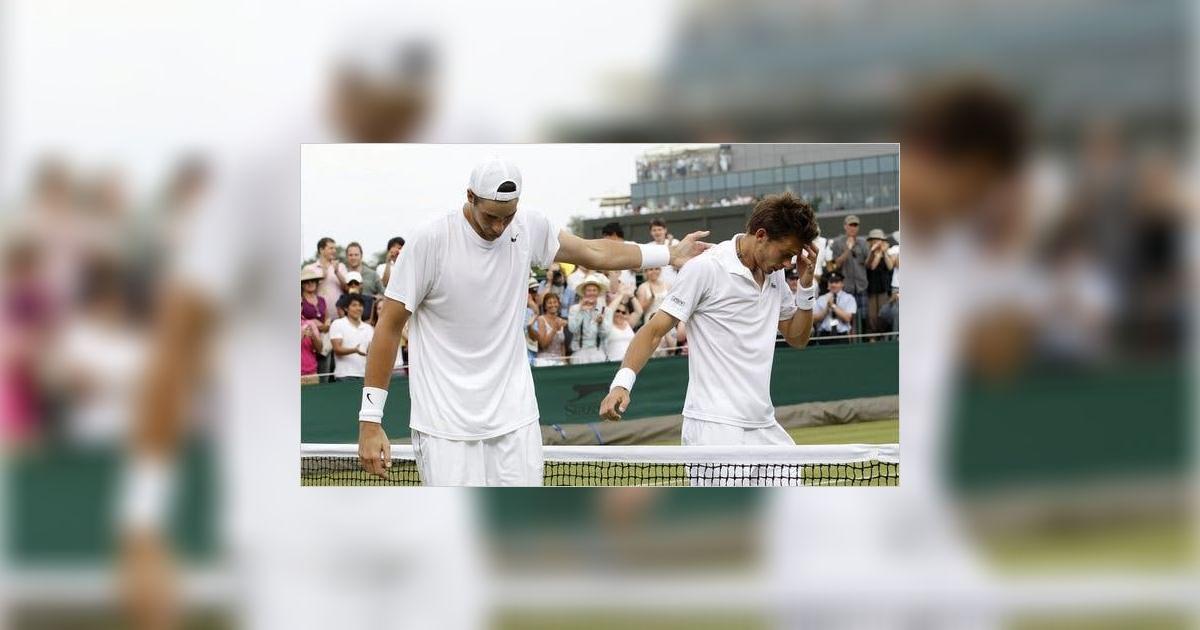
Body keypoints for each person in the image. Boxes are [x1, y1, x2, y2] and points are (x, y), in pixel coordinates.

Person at [357, 156, 709, 486]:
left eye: (507, 216)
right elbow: (388, 328)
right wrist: (370, 422)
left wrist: (668, 254)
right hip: (444, 427)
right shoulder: (430, 239)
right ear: (470, 197)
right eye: (491, 216)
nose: (499, 226)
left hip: (516, 418)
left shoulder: (528, 226)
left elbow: (594, 251)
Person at [599, 192, 819, 449]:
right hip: (712, 426)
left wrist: (805, 287)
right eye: (785, 254)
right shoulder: (705, 268)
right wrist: (622, 384)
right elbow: (654, 331)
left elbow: (798, 337)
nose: (787, 263)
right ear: (761, 235)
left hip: (763, 424)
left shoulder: (776, 274)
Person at [827, 215, 868, 331]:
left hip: (861, 285)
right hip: (845, 285)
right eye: (851, 225)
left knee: (863, 316)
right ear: (845, 226)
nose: (853, 228)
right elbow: (835, 265)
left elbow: (868, 263)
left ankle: (862, 341)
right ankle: (851, 341)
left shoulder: (863, 242)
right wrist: (848, 250)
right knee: (847, 317)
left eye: (855, 225)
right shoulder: (838, 242)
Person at [567, 273, 610, 365]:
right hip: (579, 352)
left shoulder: (605, 310)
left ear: (598, 292)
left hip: (598, 352)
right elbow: (572, 329)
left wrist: (601, 322)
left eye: (594, 290)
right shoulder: (575, 309)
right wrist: (581, 311)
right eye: (589, 290)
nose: (591, 293)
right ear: (584, 292)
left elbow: (606, 334)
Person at [329, 294, 373, 380]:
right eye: (354, 305)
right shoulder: (338, 323)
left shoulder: (369, 328)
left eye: (360, 305)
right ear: (346, 308)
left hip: (365, 375)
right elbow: (337, 349)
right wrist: (355, 350)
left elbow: (371, 351)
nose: (358, 308)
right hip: (344, 375)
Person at [865, 229, 895, 335]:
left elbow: (890, 266)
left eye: (879, 239)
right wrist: (876, 253)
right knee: (872, 315)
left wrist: (884, 252)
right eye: (875, 239)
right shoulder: (869, 252)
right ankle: (872, 335)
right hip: (872, 288)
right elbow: (871, 266)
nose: (877, 242)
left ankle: (883, 335)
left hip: (884, 288)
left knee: (882, 313)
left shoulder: (887, 252)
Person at [812, 272, 856, 344]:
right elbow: (814, 319)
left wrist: (833, 306)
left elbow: (848, 318)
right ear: (828, 284)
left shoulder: (849, 298)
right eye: (831, 282)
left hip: (842, 336)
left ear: (842, 284)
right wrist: (826, 308)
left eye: (836, 282)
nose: (833, 285)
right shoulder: (821, 299)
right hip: (824, 335)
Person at [530, 292, 567, 366]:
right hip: (544, 360)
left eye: (555, 302)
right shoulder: (541, 319)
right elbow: (543, 344)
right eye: (549, 303)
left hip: (560, 360)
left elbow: (562, 345)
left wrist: (565, 360)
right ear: (545, 306)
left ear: (558, 304)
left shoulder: (561, 320)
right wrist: (554, 329)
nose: (553, 305)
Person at [599, 222, 637, 288]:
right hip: (612, 291)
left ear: (614, 234)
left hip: (630, 289)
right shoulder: (606, 250)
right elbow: (604, 272)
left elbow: (637, 268)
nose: (604, 239)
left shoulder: (631, 245)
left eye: (605, 236)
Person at [314, 237, 348, 310]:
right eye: (331, 248)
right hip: (319, 314)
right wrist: (323, 277)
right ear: (321, 250)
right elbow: (307, 291)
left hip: (339, 314)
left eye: (335, 248)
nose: (334, 251)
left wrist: (337, 272)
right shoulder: (310, 268)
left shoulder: (341, 266)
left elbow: (347, 288)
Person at [602, 292, 637, 362]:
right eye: (617, 311)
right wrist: (621, 294)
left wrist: (632, 296)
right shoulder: (608, 325)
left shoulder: (628, 324)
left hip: (630, 363)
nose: (620, 314)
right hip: (613, 362)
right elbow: (608, 311)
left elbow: (639, 311)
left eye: (623, 312)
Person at [647, 218, 679, 285]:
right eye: (654, 230)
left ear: (665, 230)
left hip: (674, 282)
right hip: (656, 286)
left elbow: (676, 266)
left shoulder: (675, 242)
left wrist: (670, 244)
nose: (657, 232)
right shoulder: (648, 246)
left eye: (659, 229)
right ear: (650, 232)